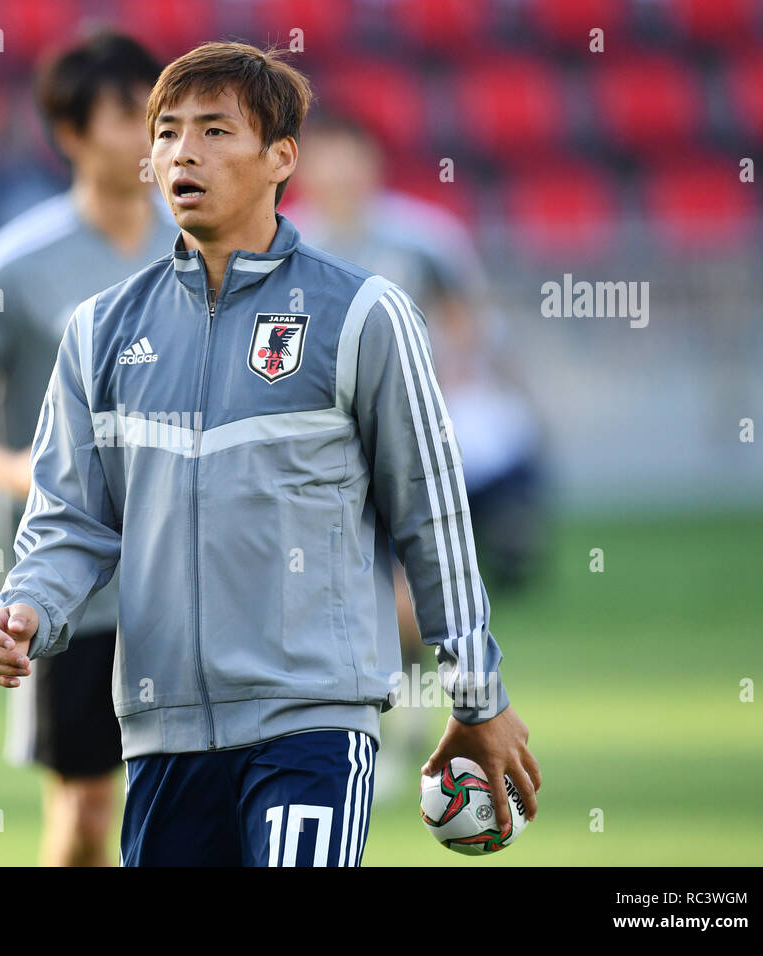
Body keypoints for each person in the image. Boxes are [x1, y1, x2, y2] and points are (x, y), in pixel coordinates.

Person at [0, 40, 541, 867]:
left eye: (213, 130)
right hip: (162, 731)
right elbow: (70, 522)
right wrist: (28, 606)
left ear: (282, 157)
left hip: (310, 722)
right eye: (166, 133)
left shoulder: (363, 315)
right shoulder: (99, 332)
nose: (181, 153)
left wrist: (476, 693)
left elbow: (432, 516)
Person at [0, 31, 172, 866]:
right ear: (69, 133)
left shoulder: (210, 243)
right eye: (129, 115)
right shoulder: (14, 268)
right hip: (76, 585)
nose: (151, 138)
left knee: (197, 807)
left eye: (160, 115)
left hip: (198, 575)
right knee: (87, 813)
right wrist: (15, 471)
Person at [290, 115, 548, 801]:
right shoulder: (285, 241)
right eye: (327, 162)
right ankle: (382, 722)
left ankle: (404, 719)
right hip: (320, 450)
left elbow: (469, 322)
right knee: (345, 603)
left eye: (352, 161)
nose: (340, 176)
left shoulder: (423, 239)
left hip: (411, 440)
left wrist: (446, 382)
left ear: (373, 166)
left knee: (401, 601)